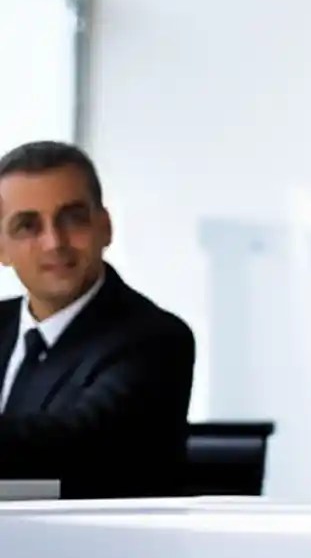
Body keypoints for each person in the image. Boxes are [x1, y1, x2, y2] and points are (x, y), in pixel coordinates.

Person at [0, 141, 195, 498]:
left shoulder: (156, 339)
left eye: (72, 218)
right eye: (28, 226)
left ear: (105, 227)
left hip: (94, 551)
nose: (53, 242)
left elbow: (80, 444)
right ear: (1, 248)